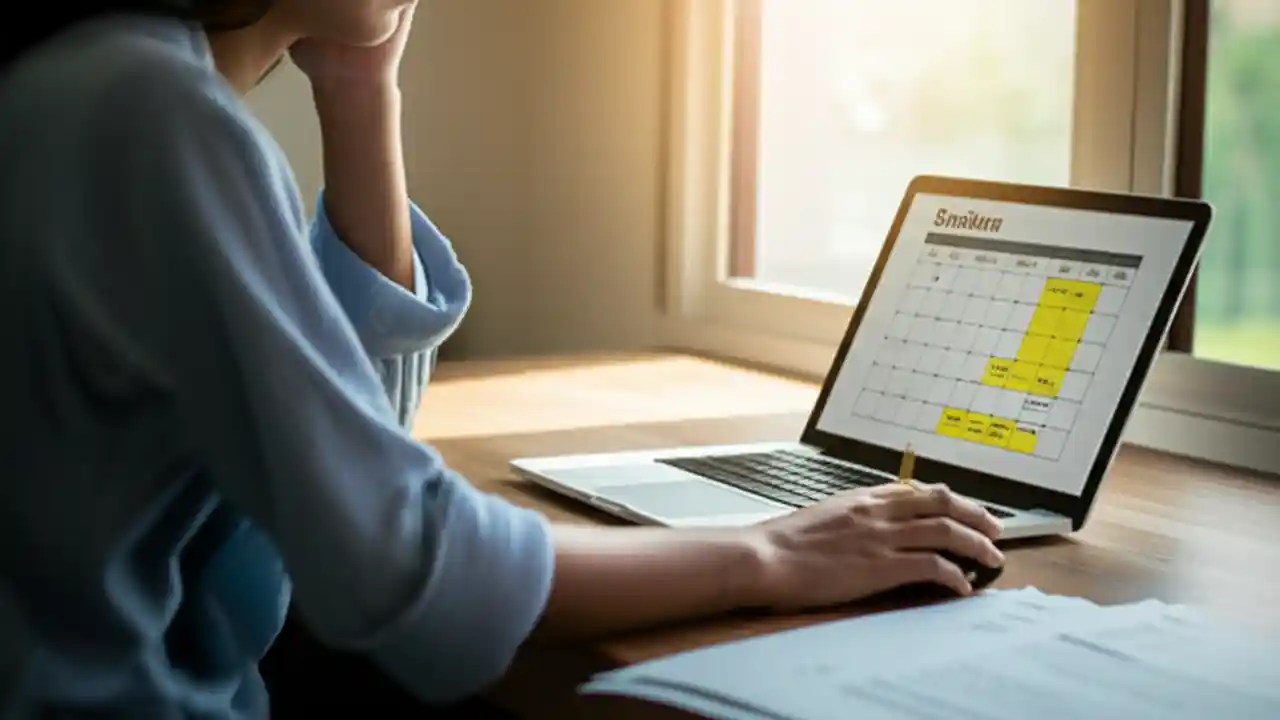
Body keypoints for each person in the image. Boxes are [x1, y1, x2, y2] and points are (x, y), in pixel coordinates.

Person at [0, 1, 1005, 717]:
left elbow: (337, 434)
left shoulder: (98, 81)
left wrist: (363, 91)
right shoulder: (147, 113)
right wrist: (772, 553)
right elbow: (394, 561)